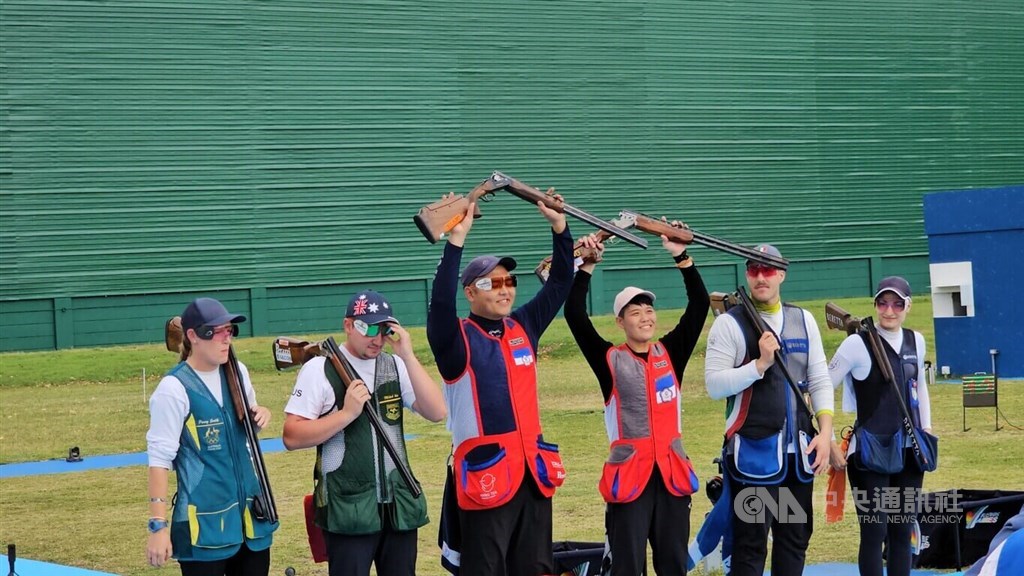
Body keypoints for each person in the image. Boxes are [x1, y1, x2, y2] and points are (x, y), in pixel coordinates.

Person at [426, 192, 572, 576]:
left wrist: (559, 227)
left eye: (509, 280)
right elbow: (439, 305)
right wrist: (457, 238)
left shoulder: (522, 326)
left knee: (536, 567)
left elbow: (559, 283)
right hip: (486, 477)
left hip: (533, 474)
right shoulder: (455, 340)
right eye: (494, 283)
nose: (506, 288)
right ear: (471, 292)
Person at [563, 226, 710, 575]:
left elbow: (700, 304)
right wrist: (586, 266)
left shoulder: (671, 352)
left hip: (672, 477)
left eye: (648, 310)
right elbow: (574, 315)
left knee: (673, 564)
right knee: (627, 566)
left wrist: (680, 256)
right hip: (629, 479)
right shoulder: (609, 359)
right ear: (619, 322)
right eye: (634, 312)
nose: (645, 317)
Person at [282, 289, 446, 576]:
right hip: (348, 509)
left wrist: (407, 355)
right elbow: (292, 436)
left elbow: (437, 412)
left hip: (398, 507)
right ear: (348, 325)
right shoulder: (319, 368)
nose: (377, 337)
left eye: (384, 329)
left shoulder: (394, 364)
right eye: (367, 327)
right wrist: (346, 414)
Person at [704, 244, 833, 576]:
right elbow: (715, 385)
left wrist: (826, 433)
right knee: (751, 545)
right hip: (756, 457)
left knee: (793, 539)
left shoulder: (802, 319)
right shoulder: (730, 324)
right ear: (747, 274)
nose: (761, 277)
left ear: (781, 274)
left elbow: (818, 379)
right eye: (754, 270)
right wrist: (759, 365)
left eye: (768, 270)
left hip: (795, 459)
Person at [146, 297, 277, 575]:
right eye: (215, 332)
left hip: (251, 520)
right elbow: (159, 461)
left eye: (229, 331)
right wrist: (158, 526)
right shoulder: (173, 388)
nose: (225, 339)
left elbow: (243, 432)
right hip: (203, 529)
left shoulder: (237, 372)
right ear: (192, 336)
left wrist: (260, 414)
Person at [827, 276, 934, 576]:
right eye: (883, 303)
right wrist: (828, 436)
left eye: (897, 303)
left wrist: (926, 429)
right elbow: (822, 385)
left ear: (908, 306)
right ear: (874, 305)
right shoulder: (855, 344)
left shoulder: (916, 340)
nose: (889, 310)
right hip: (869, 453)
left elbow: (919, 386)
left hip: (910, 450)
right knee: (875, 532)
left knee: (902, 532)